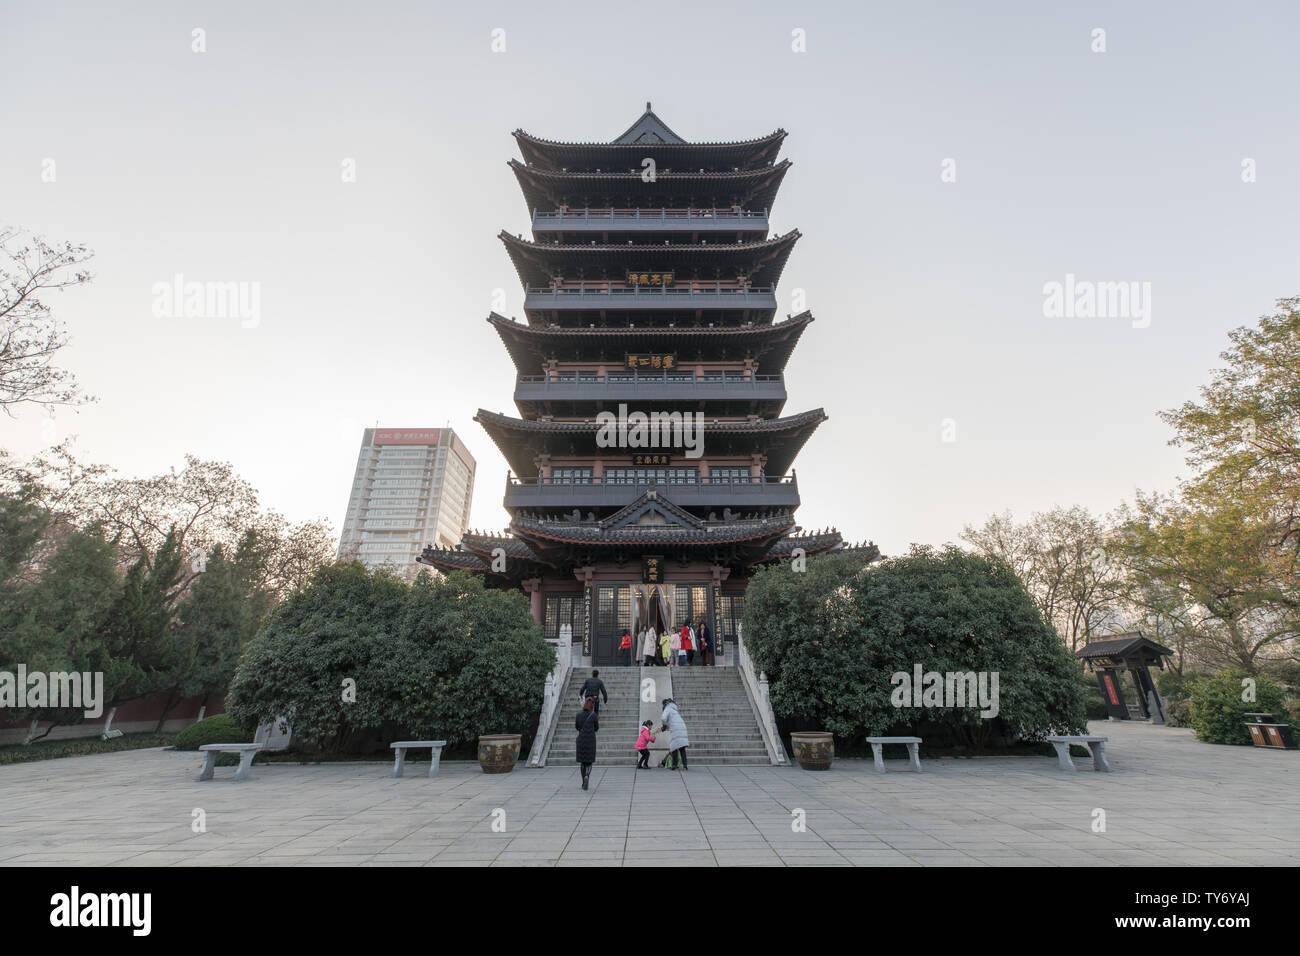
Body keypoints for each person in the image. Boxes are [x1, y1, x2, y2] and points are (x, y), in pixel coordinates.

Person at [575, 696, 599, 790]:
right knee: (589, 762)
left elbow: (577, 727)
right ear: (592, 706)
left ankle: (583, 781)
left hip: (581, 740)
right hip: (591, 740)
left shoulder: (578, 714)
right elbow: (596, 728)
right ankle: (587, 776)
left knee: (582, 762)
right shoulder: (593, 715)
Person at [660, 698, 689, 770]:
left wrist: (664, 726)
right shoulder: (674, 710)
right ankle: (685, 765)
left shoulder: (668, 708)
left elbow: (663, 718)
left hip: (676, 729)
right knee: (682, 748)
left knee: (674, 747)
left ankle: (674, 765)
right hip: (682, 728)